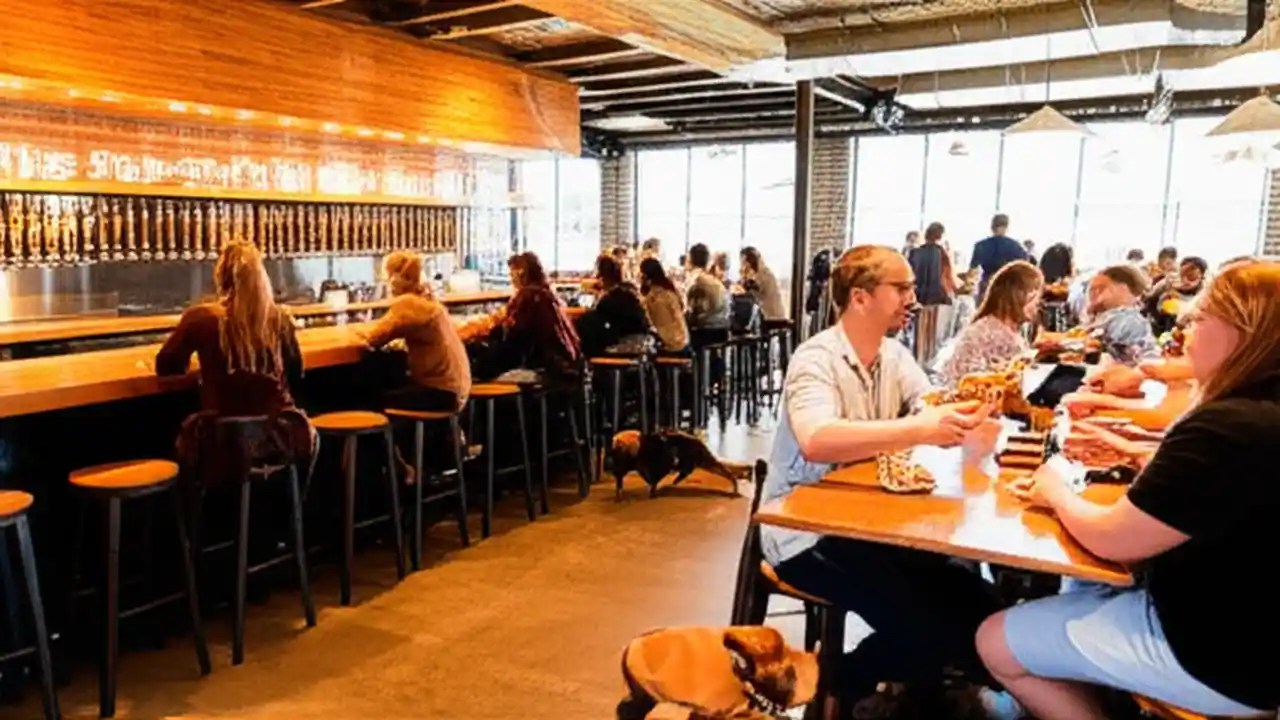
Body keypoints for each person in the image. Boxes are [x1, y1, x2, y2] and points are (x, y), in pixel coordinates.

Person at [977, 261, 1280, 720]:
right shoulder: (1260, 411)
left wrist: (1054, 489)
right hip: (1251, 634)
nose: (1185, 328)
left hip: (1222, 657)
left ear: (1244, 330)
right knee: (1078, 585)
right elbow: (1222, 489)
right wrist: (1135, 452)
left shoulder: (1231, 424)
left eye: (1200, 318)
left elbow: (1115, 542)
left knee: (994, 641)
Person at [762, 245, 1002, 710]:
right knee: (926, 625)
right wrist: (921, 429)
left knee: (976, 598)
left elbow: (928, 405)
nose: (913, 297)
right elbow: (816, 438)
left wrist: (966, 410)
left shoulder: (893, 355)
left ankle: (891, 680)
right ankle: (835, 680)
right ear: (860, 297)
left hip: (870, 524)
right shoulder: (816, 359)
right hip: (804, 533)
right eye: (902, 288)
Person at [156, 239, 315, 487]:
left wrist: (206, 371)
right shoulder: (280, 320)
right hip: (280, 440)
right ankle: (296, 515)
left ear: (221, 278)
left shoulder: (200, 319)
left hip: (220, 445)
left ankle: (195, 523)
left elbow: (166, 366)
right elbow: (297, 372)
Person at [361, 251, 472, 482]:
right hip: (455, 389)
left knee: (371, 404)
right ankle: (413, 466)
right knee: (393, 392)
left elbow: (374, 337)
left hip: (440, 391)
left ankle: (399, 474)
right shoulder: (427, 301)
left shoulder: (407, 304)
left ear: (393, 278)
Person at [937, 261, 1042, 387]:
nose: (1038, 304)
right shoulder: (999, 336)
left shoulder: (991, 324)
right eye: (1034, 296)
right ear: (1017, 296)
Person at [485, 251, 581, 380]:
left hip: (544, 369)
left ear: (521, 273)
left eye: (512, 274)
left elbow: (516, 341)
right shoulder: (548, 295)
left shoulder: (527, 297)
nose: (511, 279)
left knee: (485, 372)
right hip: (563, 367)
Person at [1083, 265, 1158, 366]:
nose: (1095, 294)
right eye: (1092, 290)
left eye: (1101, 289)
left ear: (1123, 289)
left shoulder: (1129, 319)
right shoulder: (1105, 317)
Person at [578, 253, 650, 357]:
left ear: (602, 276)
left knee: (586, 323)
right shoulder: (629, 291)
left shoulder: (612, 298)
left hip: (625, 344)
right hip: (642, 342)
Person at [908, 222, 955, 365]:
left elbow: (910, 275)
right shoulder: (942, 253)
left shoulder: (915, 253)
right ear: (940, 235)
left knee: (918, 334)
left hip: (918, 296)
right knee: (934, 336)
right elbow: (948, 276)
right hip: (937, 297)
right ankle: (930, 364)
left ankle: (917, 361)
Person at [970, 213, 1026, 301]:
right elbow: (1024, 267)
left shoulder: (980, 245)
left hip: (988, 282)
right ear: (1007, 227)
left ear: (992, 227)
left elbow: (973, 269)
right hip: (1007, 285)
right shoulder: (1015, 246)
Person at [639, 257, 689, 353]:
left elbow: (649, 322)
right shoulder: (670, 291)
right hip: (683, 340)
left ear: (645, 277)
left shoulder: (653, 297)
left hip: (670, 344)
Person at [685, 243, 729, 329]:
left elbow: (693, 313)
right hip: (721, 333)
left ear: (689, 259)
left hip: (702, 334)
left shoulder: (695, 281)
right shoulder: (716, 282)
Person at [739, 246, 785, 321]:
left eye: (744, 262)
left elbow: (755, 289)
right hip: (765, 316)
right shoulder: (757, 274)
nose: (743, 265)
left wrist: (746, 282)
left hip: (772, 318)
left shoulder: (764, 274)